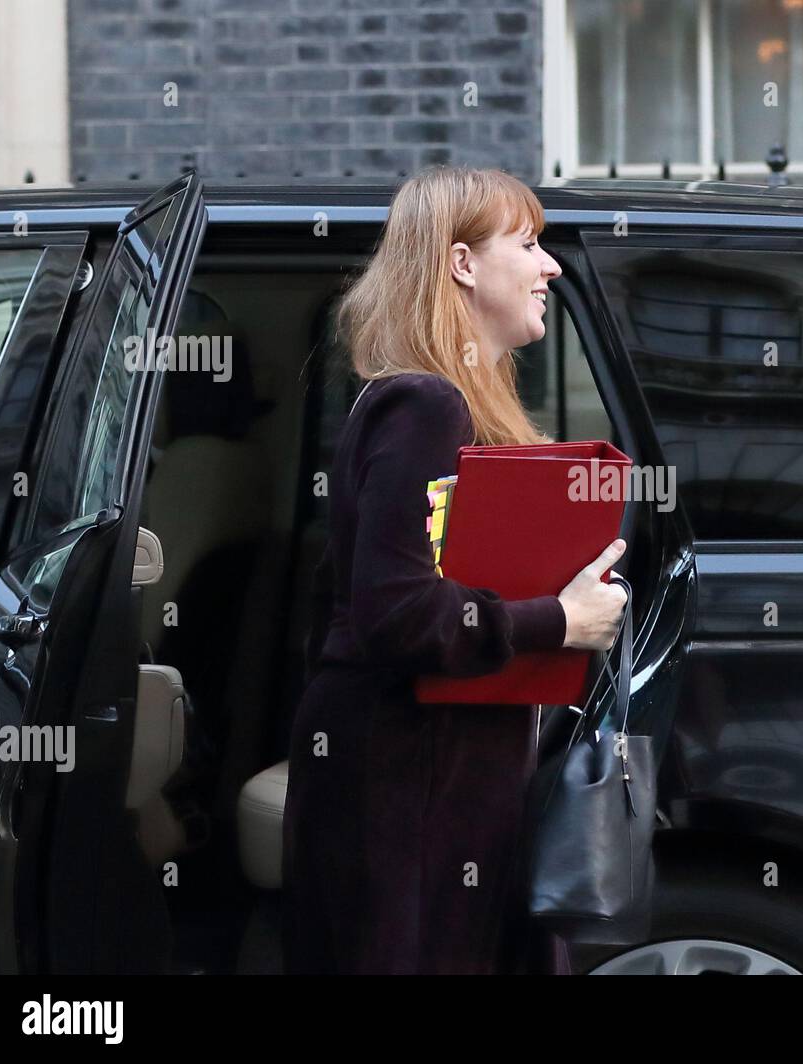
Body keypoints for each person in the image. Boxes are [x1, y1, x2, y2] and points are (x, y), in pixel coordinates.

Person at [281, 165, 628, 974]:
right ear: (462, 264)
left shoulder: (435, 400)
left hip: (424, 763)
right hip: (410, 771)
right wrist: (561, 620)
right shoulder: (427, 404)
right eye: (529, 243)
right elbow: (396, 611)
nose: (552, 267)